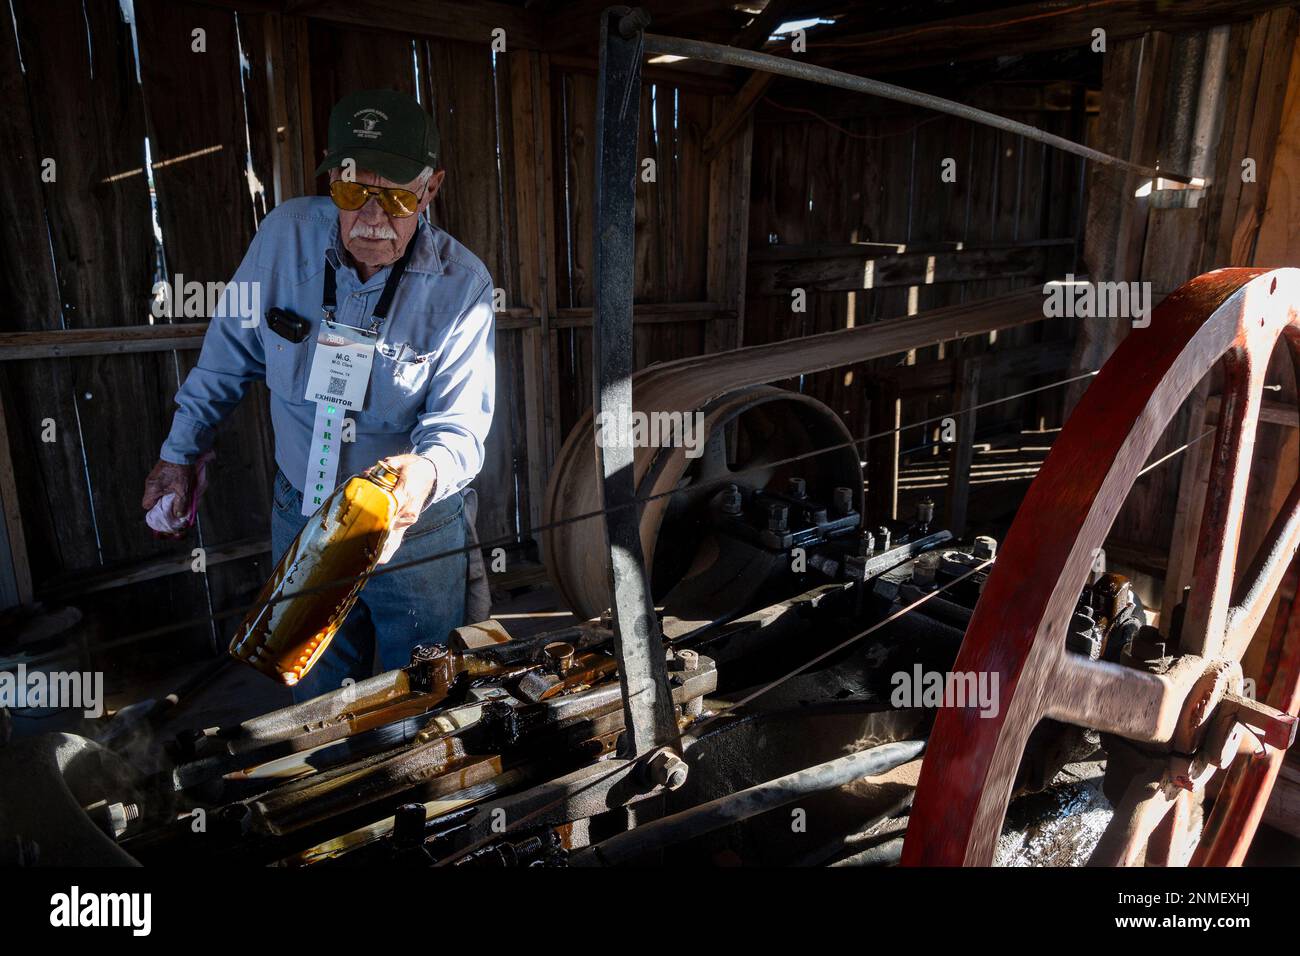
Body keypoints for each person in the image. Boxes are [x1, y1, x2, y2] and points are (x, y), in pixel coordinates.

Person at [141, 89, 495, 701]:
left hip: (410, 532)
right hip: (300, 512)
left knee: (421, 692)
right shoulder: (283, 239)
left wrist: (425, 472)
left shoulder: (462, 286)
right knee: (316, 698)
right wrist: (178, 455)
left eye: (399, 197)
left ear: (431, 189)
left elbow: (461, 428)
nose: (372, 218)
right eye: (354, 191)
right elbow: (227, 359)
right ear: (332, 179)